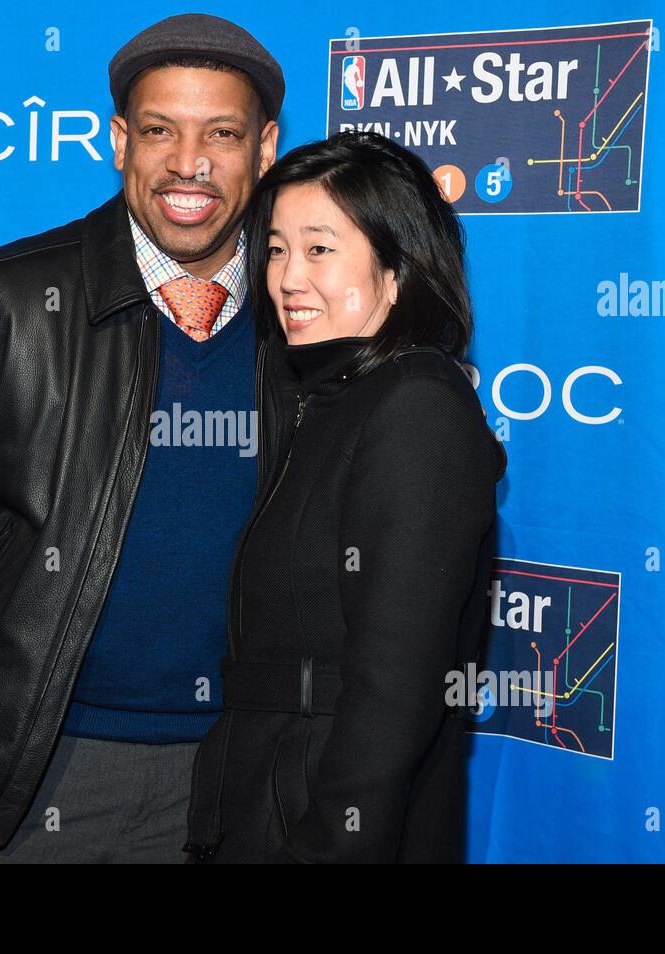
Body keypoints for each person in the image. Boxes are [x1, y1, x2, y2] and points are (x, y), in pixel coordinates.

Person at [0, 13, 281, 862]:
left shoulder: (303, 322)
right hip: (18, 772)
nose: (191, 164)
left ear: (264, 149)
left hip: (233, 777)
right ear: (118, 141)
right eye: (160, 131)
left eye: (222, 133)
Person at [182, 130, 508, 863]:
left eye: (320, 249)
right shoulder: (324, 401)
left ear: (398, 270)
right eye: (274, 249)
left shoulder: (415, 408)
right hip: (264, 801)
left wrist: (330, 845)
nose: (288, 277)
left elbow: (395, 686)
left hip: (323, 825)